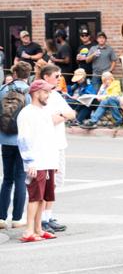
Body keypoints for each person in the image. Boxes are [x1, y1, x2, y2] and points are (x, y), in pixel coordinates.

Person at [16, 79, 62, 243]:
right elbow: (23, 139)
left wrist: (54, 162)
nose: (48, 95)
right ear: (36, 93)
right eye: (46, 92)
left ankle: (38, 229)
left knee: (43, 197)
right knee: (35, 197)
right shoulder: (26, 113)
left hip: (47, 161)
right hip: (36, 162)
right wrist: (30, 162)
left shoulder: (45, 111)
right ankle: (28, 231)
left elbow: (50, 138)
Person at [36, 65, 74, 234]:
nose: (59, 78)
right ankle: (42, 219)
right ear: (46, 77)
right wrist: (62, 115)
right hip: (48, 146)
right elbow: (47, 120)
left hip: (60, 144)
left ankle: (49, 216)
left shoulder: (57, 95)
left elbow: (72, 113)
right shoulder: (41, 96)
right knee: (47, 184)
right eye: (56, 76)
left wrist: (62, 115)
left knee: (56, 183)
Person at [0, 62, 30, 231]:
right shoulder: (28, 91)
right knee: (20, 178)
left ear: (14, 72)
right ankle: (17, 218)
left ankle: (1, 217)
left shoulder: (3, 89)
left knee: (7, 178)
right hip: (22, 140)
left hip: (5, 138)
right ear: (27, 74)